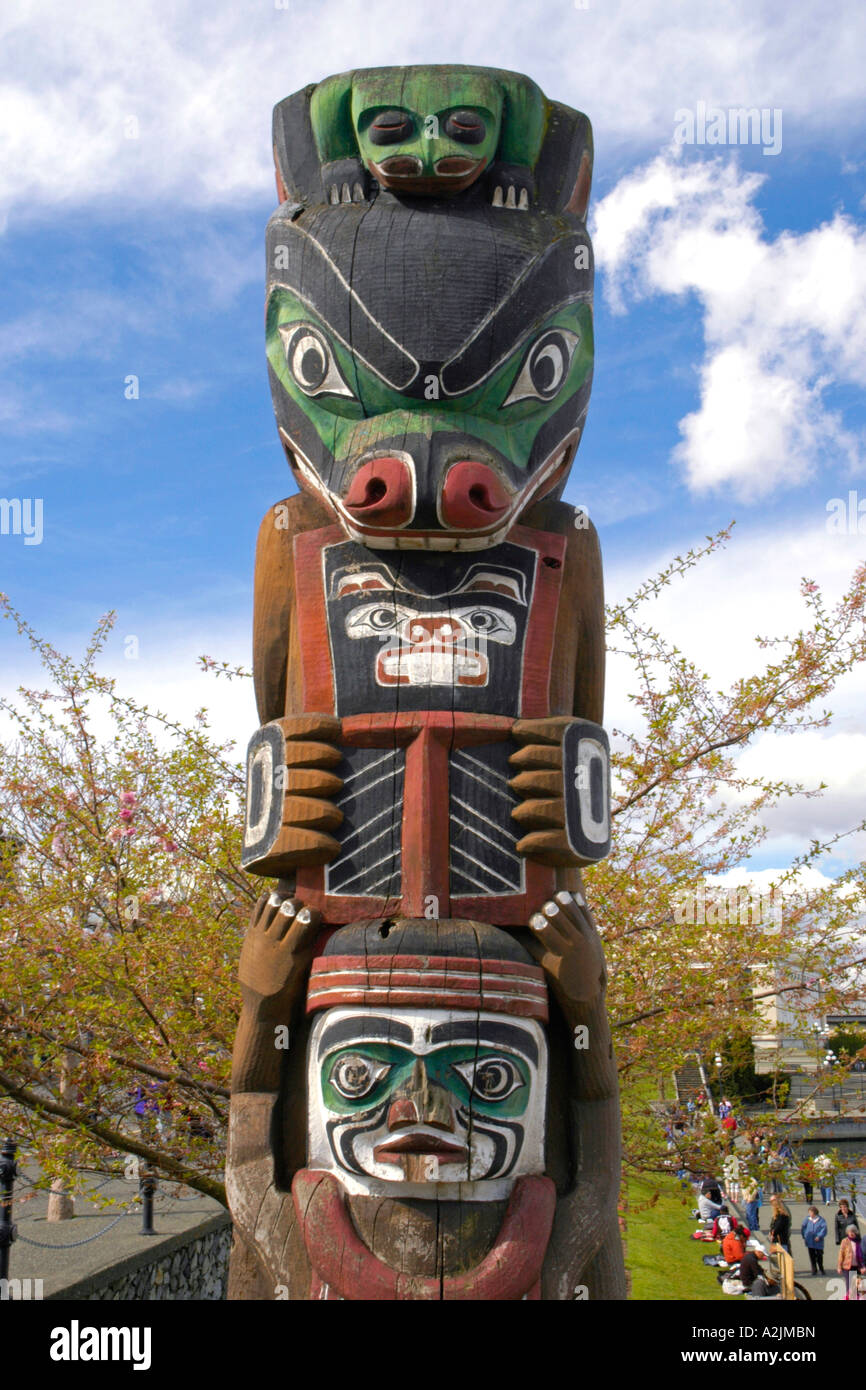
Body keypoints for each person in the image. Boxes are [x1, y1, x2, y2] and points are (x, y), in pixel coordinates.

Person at [837, 1224, 866, 1300]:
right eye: (850, 1232)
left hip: (858, 1266)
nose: (852, 1233)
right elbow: (841, 1254)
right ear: (847, 1232)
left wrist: (863, 1266)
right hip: (848, 1266)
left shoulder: (859, 1241)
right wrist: (839, 1267)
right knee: (850, 1286)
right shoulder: (845, 1241)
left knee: (860, 1286)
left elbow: (862, 1254)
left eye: (853, 1231)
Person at [801, 1206, 828, 1276]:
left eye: (811, 1212)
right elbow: (803, 1227)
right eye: (809, 1212)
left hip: (818, 1241)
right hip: (810, 1240)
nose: (810, 1214)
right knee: (812, 1255)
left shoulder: (821, 1220)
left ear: (815, 1213)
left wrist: (819, 1236)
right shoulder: (807, 1219)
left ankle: (821, 1268)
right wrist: (804, 1235)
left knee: (819, 1255)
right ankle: (814, 1269)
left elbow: (824, 1229)